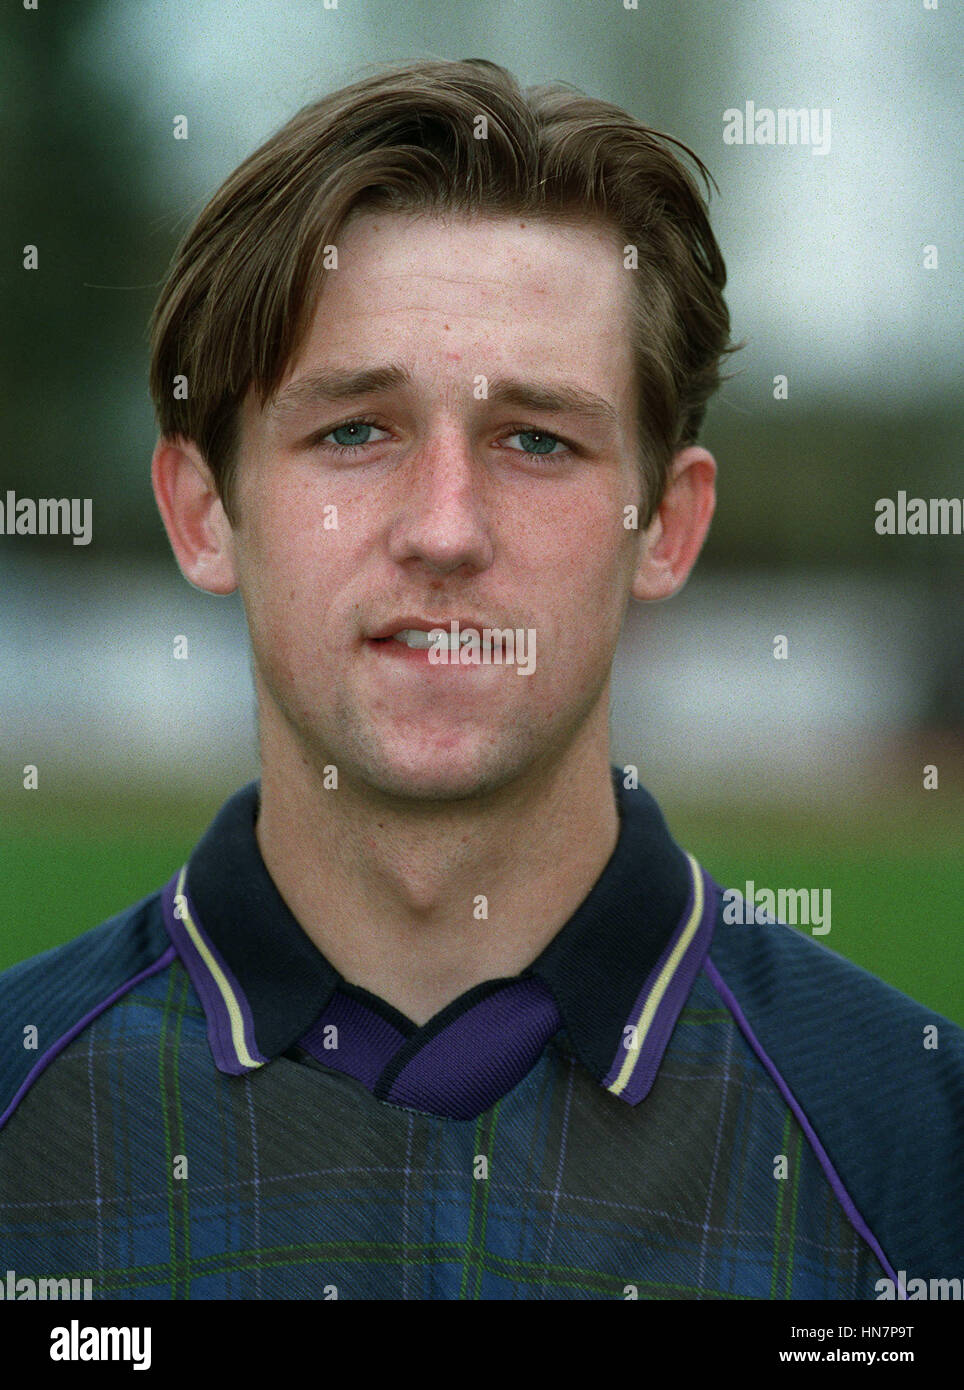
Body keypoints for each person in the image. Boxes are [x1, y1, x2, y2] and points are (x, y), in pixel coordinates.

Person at [0, 58, 959, 1302]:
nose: (444, 529)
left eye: (536, 440)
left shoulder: (916, 1152)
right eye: (354, 429)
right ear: (204, 512)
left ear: (666, 523)